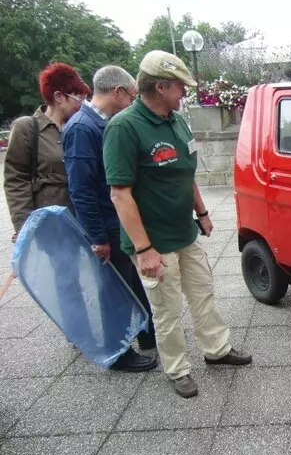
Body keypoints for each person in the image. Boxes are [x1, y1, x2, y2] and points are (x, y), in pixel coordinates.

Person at [103, 50, 252, 398]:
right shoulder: (124, 128)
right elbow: (120, 195)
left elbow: (187, 172)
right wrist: (144, 249)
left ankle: (217, 350)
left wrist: (202, 212)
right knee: (167, 311)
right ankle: (177, 369)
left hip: (185, 232)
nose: (185, 92)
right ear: (159, 87)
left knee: (203, 294)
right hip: (154, 242)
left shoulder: (177, 120)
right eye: (180, 87)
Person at [61, 65, 158, 372]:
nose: (132, 102)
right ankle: (118, 353)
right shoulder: (81, 128)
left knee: (129, 284)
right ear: (118, 92)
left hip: (115, 222)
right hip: (105, 225)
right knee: (113, 291)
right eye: (131, 95)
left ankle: (147, 334)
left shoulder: (98, 124)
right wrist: (99, 238)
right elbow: (81, 190)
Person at [4, 62, 89, 239]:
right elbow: (16, 180)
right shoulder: (27, 128)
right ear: (58, 96)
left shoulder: (78, 127)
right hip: (48, 229)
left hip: (82, 225)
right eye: (78, 98)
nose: (83, 104)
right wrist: (25, 229)